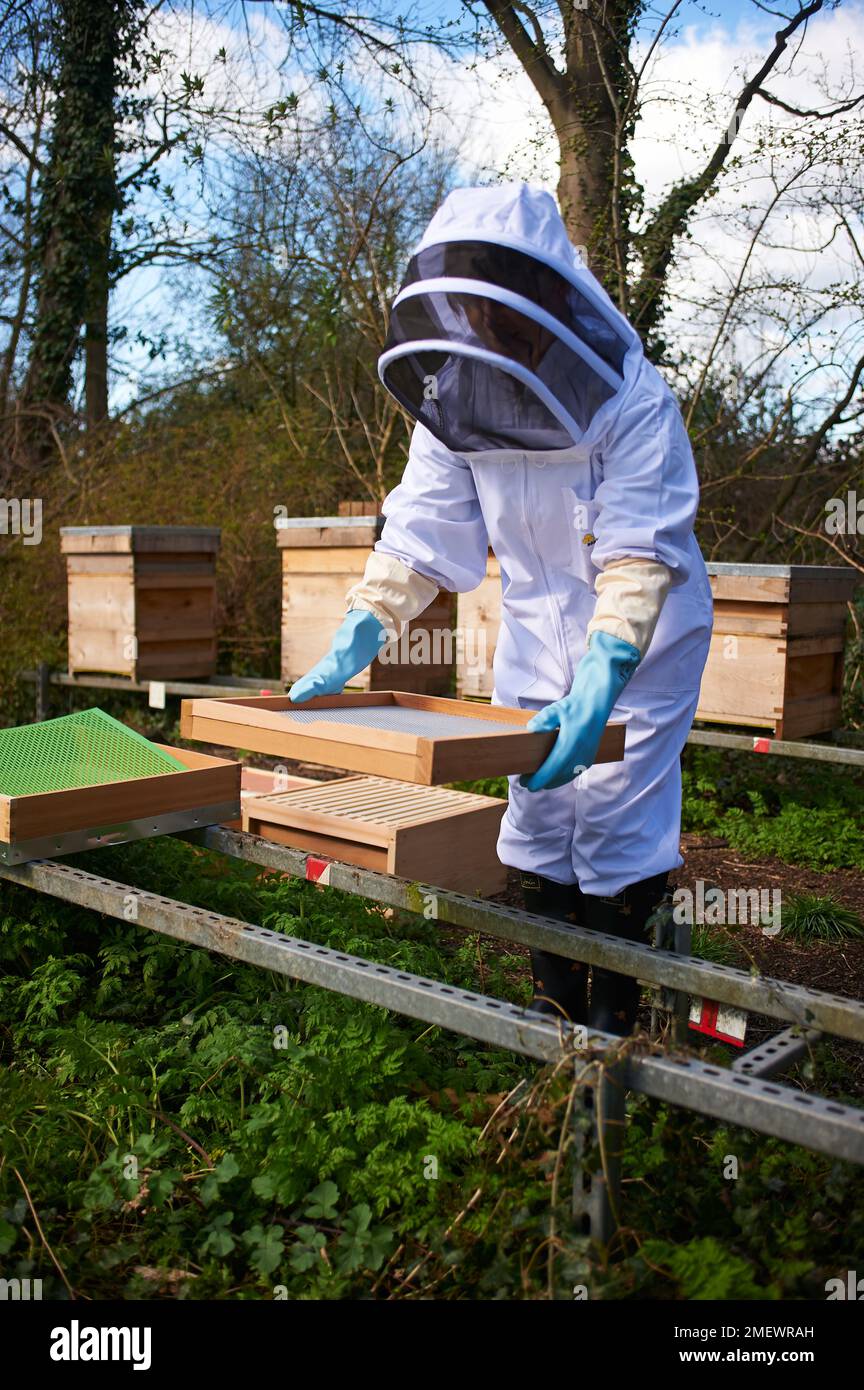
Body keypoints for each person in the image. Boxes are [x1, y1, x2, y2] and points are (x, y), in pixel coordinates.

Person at [290, 184, 713, 1035]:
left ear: (549, 294)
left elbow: (639, 554)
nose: (492, 331)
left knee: (615, 819)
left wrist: (604, 674)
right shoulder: (452, 396)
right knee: (541, 814)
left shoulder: (632, 399)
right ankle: (553, 1020)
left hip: (643, 640)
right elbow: (421, 529)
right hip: (531, 632)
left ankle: (613, 1035)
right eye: (476, 307)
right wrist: (366, 622)